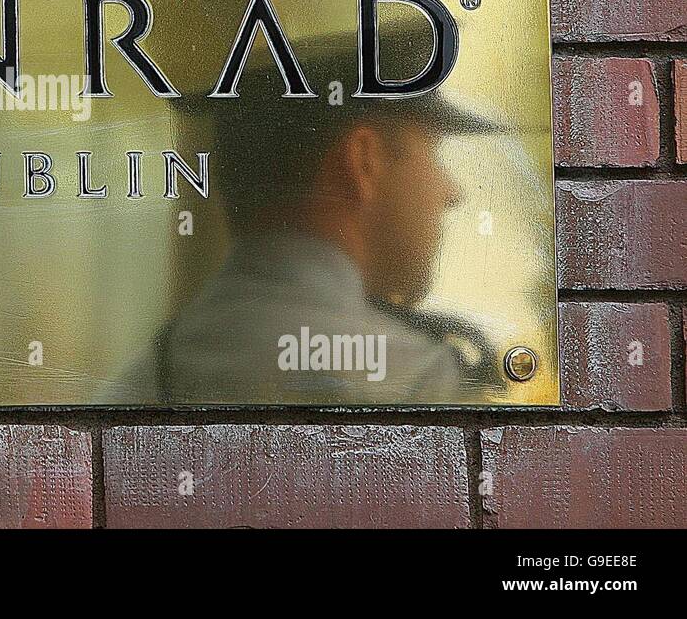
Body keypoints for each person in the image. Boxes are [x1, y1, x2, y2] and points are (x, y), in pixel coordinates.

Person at [114, 22, 507, 405]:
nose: (452, 192)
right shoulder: (424, 383)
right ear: (364, 161)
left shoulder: (144, 377)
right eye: (433, 154)